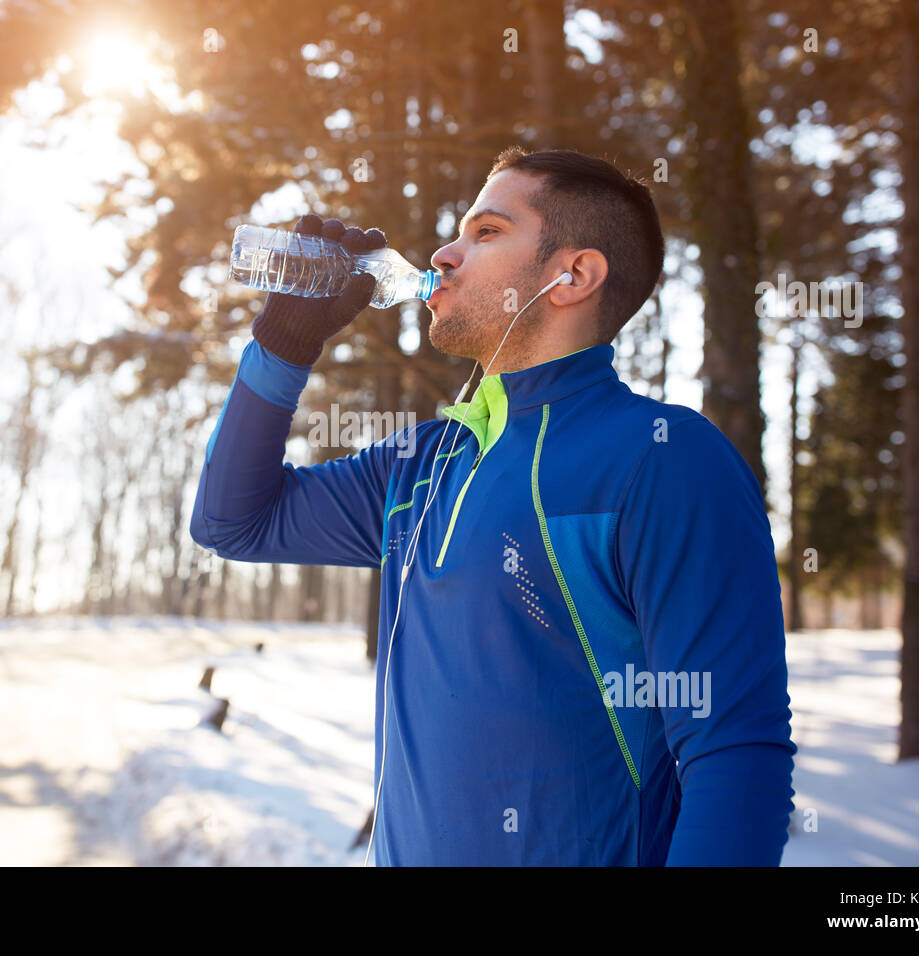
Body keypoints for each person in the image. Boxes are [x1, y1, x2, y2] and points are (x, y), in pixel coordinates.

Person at [191, 146, 797, 866]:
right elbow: (234, 520)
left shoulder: (662, 459)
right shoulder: (422, 464)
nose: (445, 254)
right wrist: (284, 345)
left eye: (485, 233)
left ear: (572, 275)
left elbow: (735, 755)